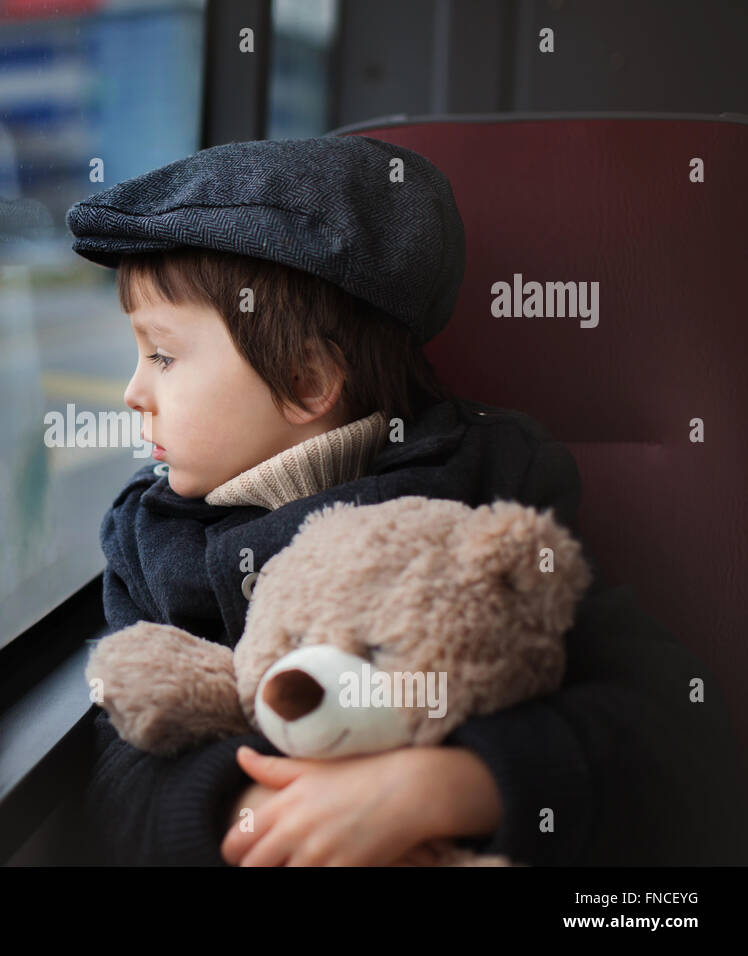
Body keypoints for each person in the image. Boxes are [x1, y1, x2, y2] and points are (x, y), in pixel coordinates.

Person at [62, 135, 747, 866]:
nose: (134, 394)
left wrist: (465, 781)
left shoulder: (491, 484)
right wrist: (247, 806)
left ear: (305, 381)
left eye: (162, 356)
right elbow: (123, 746)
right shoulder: (148, 533)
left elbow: (671, 719)